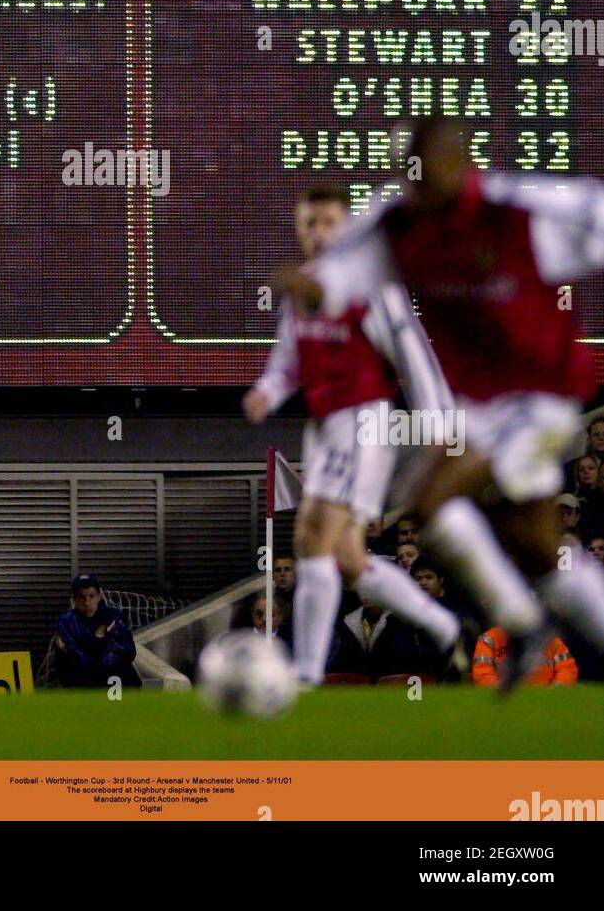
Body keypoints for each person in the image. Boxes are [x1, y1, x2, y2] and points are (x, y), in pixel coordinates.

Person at [280, 117, 604, 687]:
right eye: (409, 176)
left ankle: (522, 624)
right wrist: (314, 286)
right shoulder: (398, 224)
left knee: (427, 500)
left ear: (462, 165)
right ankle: (532, 614)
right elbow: (341, 274)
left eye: (426, 174)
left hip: (542, 394)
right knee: (541, 555)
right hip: (481, 404)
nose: (417, 186)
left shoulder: (522, 210)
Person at [244, 184, 462, 687]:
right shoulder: (302, 291)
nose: (319, 232)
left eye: (329, 222)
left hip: (365, 422)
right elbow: (288, 363)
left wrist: (439, 427)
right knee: (347, 556)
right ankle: (441, 623)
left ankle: (305, 674)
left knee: (311, 535)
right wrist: (267, 392)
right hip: (325, 428)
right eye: (310, 223)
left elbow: (414, 355)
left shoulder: (371, 287)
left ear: (348, 229)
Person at [53, 574, 141, 689]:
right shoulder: (66, 621)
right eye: (82, 597)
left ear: (99, 597)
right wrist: (97, 641)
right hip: (82, 679)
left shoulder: (113, 617)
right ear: (74, 599)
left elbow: (126, 650)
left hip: (113, 676)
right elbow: (71, 654)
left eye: (91, 596)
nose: (86, 602)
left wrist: (101, 663)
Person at [472, 627, 578, 687]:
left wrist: (553, 693)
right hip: (507, 702)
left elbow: (567, 670)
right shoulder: (489, 639)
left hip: (546, 702)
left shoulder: (549, 640)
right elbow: (482, 675)